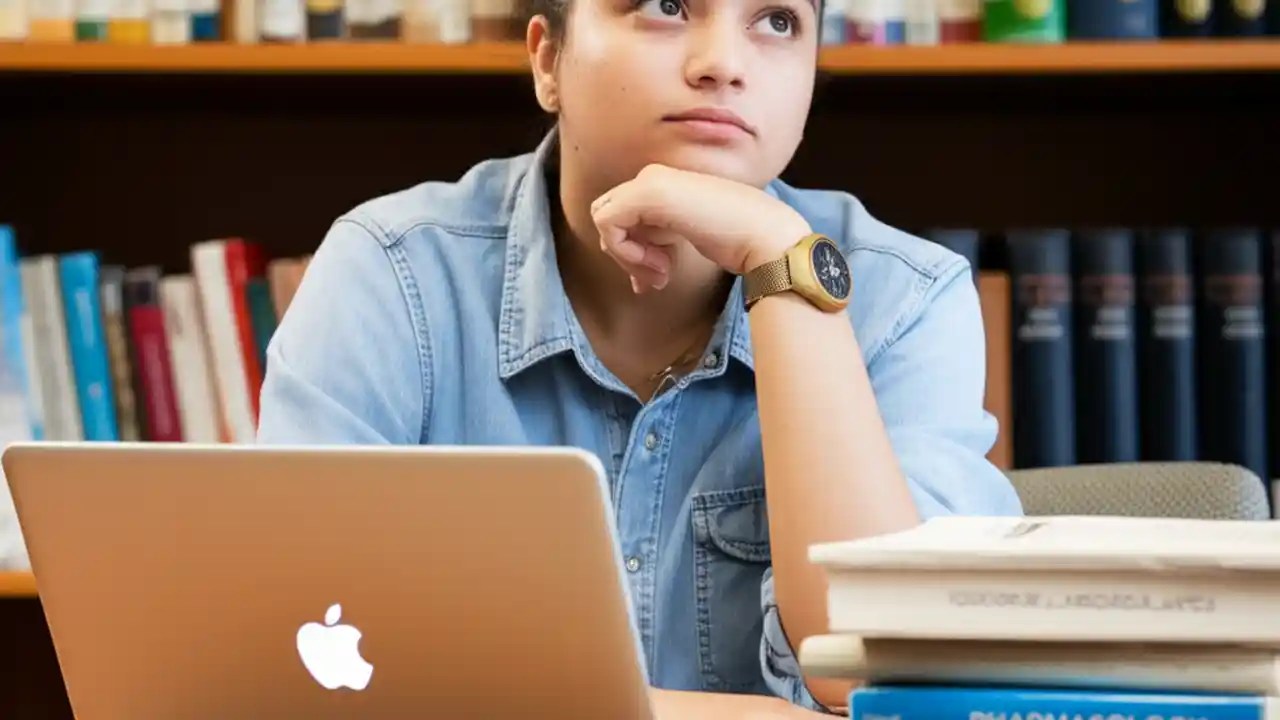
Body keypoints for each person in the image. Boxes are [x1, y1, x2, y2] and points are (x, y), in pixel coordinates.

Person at [254, 0, 1025, 713]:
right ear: (547, 61)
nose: (724, 62)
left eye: (779, 21)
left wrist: (783, 264)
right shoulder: (394, 275)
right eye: (665, 5)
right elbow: (285, 665)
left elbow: (868, 678)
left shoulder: (907, 300)